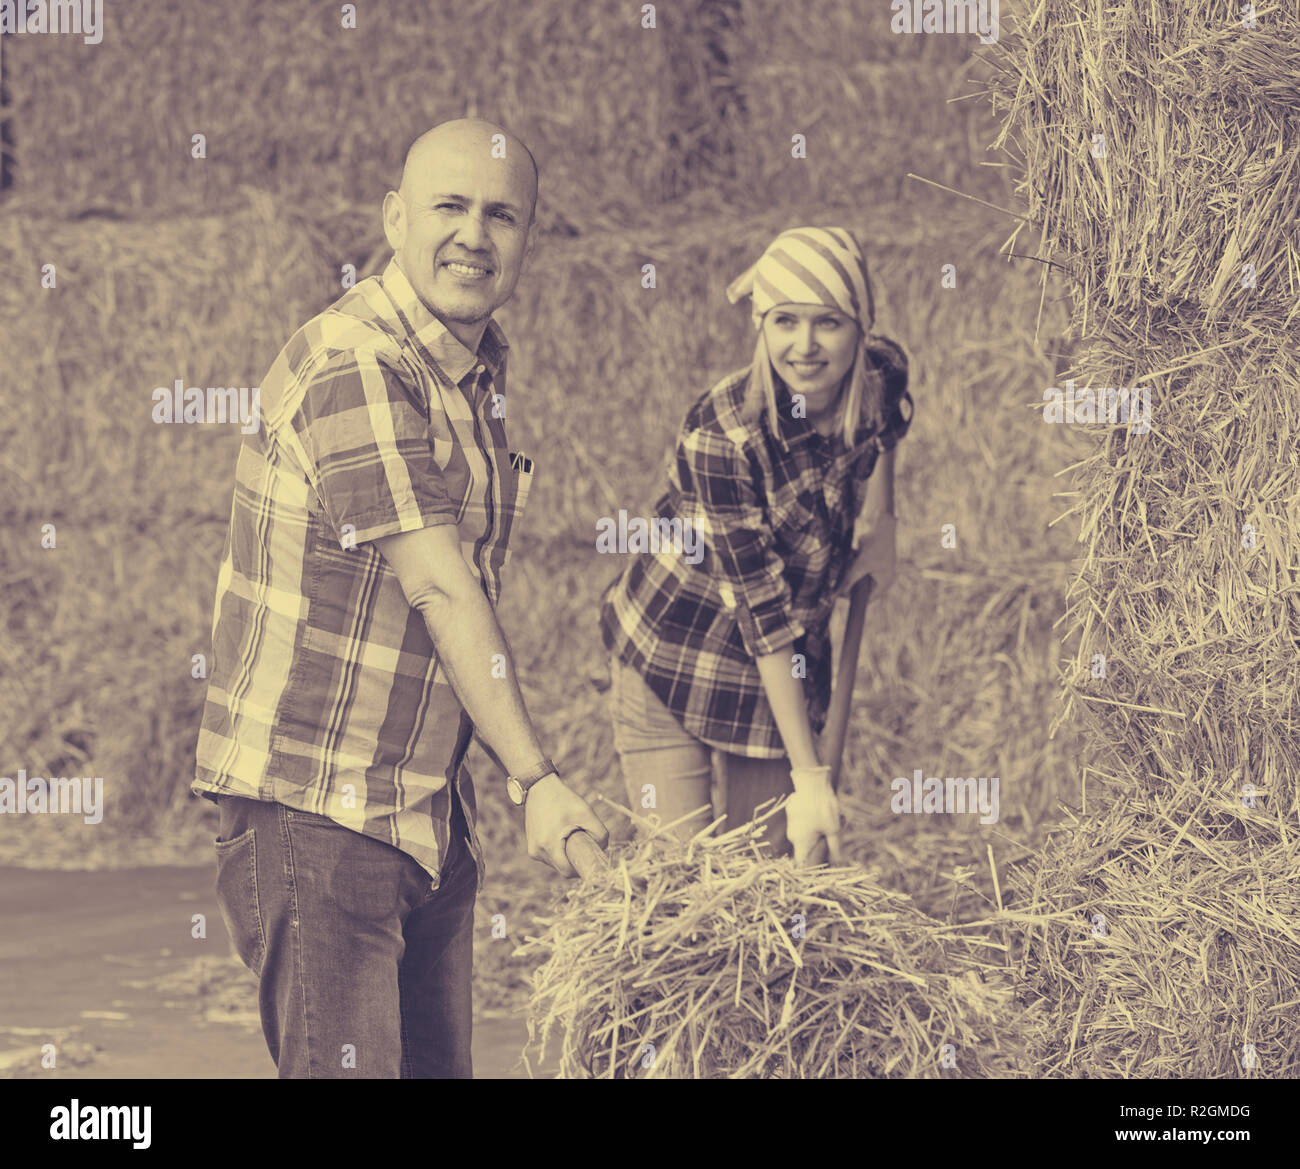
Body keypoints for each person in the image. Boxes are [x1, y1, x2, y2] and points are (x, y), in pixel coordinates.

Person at [192, 118, 608, 1079]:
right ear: (393, 218)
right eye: (450, 207)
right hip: (320, 810)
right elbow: (437, 579)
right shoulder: (360, 362)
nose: (476, 235)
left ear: (529, 238)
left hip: (423, 812)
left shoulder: (469, 373)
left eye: (503, 215)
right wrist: (537, 777)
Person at [599, 226, 912, 865]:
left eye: (828, 322)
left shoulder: (877, 376)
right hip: (675, 655)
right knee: (682, 887)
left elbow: (891, 423)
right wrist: (813, 777)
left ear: (859, 328)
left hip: (781, 680)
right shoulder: (725, 434)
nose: (804, 346)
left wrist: (884, 521)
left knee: (767, 882)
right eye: (784, 321)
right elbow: (762, 617)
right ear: (760, 326)